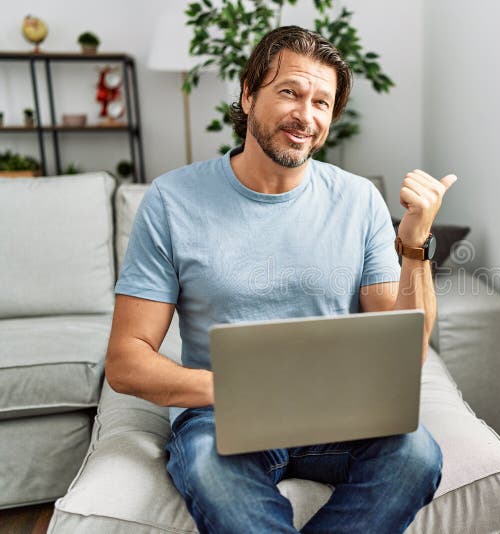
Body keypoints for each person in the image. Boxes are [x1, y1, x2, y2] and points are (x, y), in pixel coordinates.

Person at [105, 25, 457, 533]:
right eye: (289, 91)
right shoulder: (171, 200)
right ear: (248, 94)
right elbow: (126, 359)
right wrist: (239, 390)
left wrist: (415, 244)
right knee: (206, 462)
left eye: (321, 102)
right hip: (219, 413)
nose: (305, 115)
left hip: (341, 412)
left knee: (416, 454)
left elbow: (409, 347)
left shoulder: (358, 201)